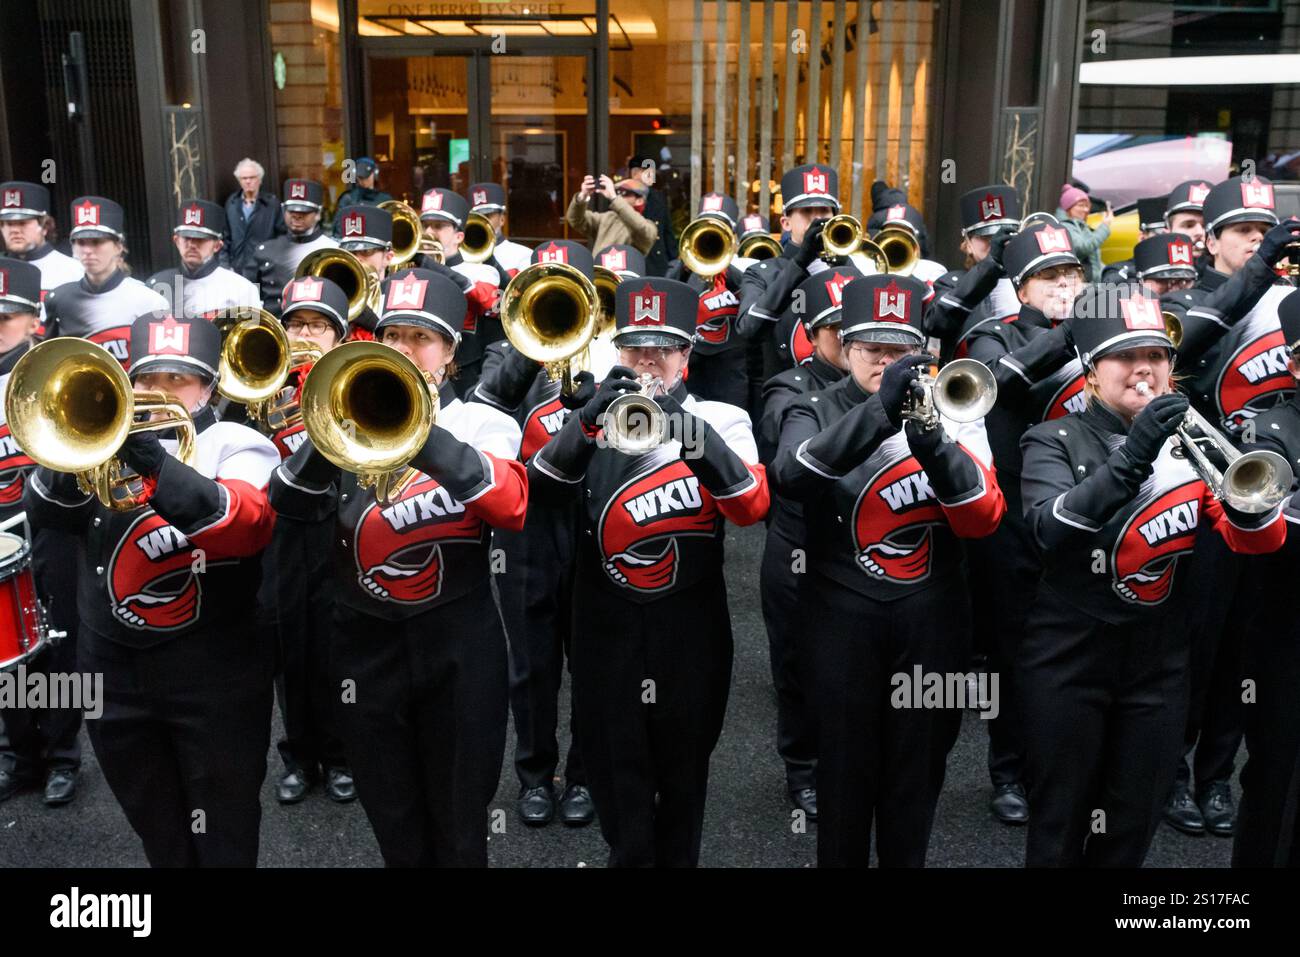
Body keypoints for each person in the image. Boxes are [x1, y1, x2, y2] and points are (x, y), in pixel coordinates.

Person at [1018, 285, 1285, 867]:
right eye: (1124, 356)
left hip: (1159, 667)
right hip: (1069, 658)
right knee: (1060, 822)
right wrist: (1136, 450)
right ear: (1091, 373)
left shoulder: (1191, 446)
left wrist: (1257, 503)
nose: (1144, 368)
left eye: (1157, 356)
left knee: (1131, 826)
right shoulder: (1052, 439)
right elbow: (1050, 530)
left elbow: (1256, 540)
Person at [269, 268, 528, 866]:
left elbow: (511, 507)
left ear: (450, 354)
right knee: (393, 818)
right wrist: (329, 425)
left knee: (462, 824)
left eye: (422, 339)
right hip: (364, 645)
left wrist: (418, 426)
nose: (406, 350)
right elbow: (287, 504)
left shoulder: (482, 423)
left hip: (460, 647)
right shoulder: (345, 416)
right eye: (394, 337)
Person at [528, 276, 769, 866]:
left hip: (691, 628)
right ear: (617, 352)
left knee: (684, 776)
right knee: (615, 776)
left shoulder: (723, 415)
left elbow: (748, 505)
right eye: (636, 346)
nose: (648, 359)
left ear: (688, 354)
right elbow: (537, 495)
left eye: (664, 347)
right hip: (605, 626)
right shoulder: (589, 418)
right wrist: (585, 420)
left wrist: (676, 419)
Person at [24, 312, 280, 866]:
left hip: (215, 673)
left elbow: (242, 526)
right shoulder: (101, 446)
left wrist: (150, 459)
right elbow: (44, 511)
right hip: (113, 673)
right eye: (146, 377)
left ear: (209, 385)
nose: (157, 391)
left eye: (178, 378)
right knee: (157, 829)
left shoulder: (238, 442)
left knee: (225, 829)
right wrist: (78, 441)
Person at [772, 274, 1005, 866]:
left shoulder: (955, 407)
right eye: (871, 346)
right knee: (844, 779)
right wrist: (881, 411)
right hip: (839, 617)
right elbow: (793, 477)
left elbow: (983, 520)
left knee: (917, 777)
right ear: (845, 349)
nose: (886, 358)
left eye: (900, 347)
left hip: (935, 618)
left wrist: (936, 448)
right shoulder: (810, 403)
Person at [1155, 178, 1299, 837]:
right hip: (1209, 495)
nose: (1256, 238)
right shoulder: (1187, 298)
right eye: (1242, 229)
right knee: (1199, 642)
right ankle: (1173, 772)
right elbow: (1185, 343)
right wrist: (1263, 264)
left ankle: (1217, 775)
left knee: (1249, 647)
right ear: (1208, 239)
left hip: (1280, 501)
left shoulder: (1292, 303)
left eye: (1264, 228)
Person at [469, 240, 605, 828]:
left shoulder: (611, 352)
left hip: (596, 520)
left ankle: (583, 775)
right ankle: (533, 775)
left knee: (593, 657)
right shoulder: (506, 353)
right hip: (527, 528)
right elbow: (485, 403)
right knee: (530, 662)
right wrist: (536, 338)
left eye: (569, 290)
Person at [964, 223, 1086, 825]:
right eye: (1049, 277)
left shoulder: (1101, 339)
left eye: (1071, 275)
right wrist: (1068, 335)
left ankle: (1061, 769)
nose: (1063, 285)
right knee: (1015, 653)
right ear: (1022, 286)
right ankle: (1007, 769)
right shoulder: (993, 334)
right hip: (1014, 518)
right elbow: (995, 389)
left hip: (1088, 517)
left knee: (1079, 655)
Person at [755, 265, 856, 821]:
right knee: (796, 663)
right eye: (833, 327)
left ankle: (848, 759)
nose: (845, 338)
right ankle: (803, 767)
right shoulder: (788, 385)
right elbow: (784, 461)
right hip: (801, 544)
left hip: (864, 545)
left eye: (853, 325)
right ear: (812, 334)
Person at [261, 276, 355, 805]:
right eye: (296, 323)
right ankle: (298, 754)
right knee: (288, 644)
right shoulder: (263, 379)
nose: (304, 333)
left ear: (337, 336)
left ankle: (342, 756)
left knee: (337, 646)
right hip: (281, 534)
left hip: (339, 530)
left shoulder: (353, 377)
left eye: (317, 325)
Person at [0, 258, 82, 807]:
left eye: (6, 316)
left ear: (35, 320)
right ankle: (18, 754)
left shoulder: (51, 373)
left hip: (48, 526)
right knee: (6, 646)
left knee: (57, 643)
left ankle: (64, 755)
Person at [1235, 292, 1300, 866]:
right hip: (1287, 639)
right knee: (1276, 783)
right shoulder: (1270, 428)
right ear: (1295, 365)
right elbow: (1272, 523)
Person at [43, 196, 169, 365]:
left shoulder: (150, 301)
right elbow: (49, 359)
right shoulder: (59, 298)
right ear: (73, 247)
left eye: (97, 242)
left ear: (119, 246)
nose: (88, 250)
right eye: (81, 242)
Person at [418, 187, 507, 393]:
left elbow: (484, 300)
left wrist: (429, 264)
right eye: (425, 226)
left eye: (438, 226)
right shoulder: (413, 270)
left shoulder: (482, 271)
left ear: (459, 236)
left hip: (466, 374)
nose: (429, 233)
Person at [668, 192, 749, 408]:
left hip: (731, 373)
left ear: (733, 237)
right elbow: (666, 297)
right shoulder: (681, 270)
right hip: (690, 369)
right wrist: (684, 267)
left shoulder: (743, 273)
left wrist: (727, 269)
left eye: (721, 228)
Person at [925, 184, 1021, 360]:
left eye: (1003, 237)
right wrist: (992, 265)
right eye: (986, 238)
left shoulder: (1031, 281)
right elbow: (935, 324)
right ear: (968, 243)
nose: (995, 244)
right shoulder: (951, 282)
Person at [147, 199, 260, 319]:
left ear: (217, 246)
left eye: (200, 239)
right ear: (176, 241)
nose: (192, 245)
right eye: (186, 238)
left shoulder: (241, 289)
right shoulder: (156, 285)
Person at [0, 181, 83, 319]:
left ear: (45, 227)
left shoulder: (74, 271)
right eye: (8, 224)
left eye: (22, 223)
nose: (14, 230)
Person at [254, 179, 338, 316]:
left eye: (304, 212)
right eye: (291, 211)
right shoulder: (265, 250)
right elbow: (252, 295)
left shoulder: (334, 250)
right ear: (283, 210)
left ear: (318, 214)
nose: (296, 216)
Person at [222, 159, 285, 282]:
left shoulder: (272, 204)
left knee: (258, 301)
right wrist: (225, 267)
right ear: (239, 181)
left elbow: (282, 237)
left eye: (252, 177)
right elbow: (225, 237)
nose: (248, 181)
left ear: (260, 179)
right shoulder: (232, 203)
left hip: (263, 271)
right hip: (237, 271)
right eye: (244, 178)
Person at [565, 173, 658, 256]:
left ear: (639, 201)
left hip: (625, 274)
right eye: (618, 192)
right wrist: (583, 196)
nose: (619, 195)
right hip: (599, 272)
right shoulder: (607, 217)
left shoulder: (648, 225)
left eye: (624, 193)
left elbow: (644, 231)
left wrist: (614, 197)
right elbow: (575, 220)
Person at [465, 182, 532, 278]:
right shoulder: (462, 256)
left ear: (502, 219)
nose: (482, 221)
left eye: (487, 216)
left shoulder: (523, 255)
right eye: (477, 217)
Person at [1100, 197, 1169, 283]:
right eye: (1161, 236)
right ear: (1142, 238)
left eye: (1172, 235)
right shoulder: (1119, 272)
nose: (1168, 241)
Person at [628, 154, 677, 276]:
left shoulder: (659, 197)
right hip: (633, 261)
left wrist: (674, 259)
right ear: (635, 174)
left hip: (658, 262)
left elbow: (667, 230)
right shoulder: (623, 197)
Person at [1057, 183, 1111, 282]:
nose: (1086, 210)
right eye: (1081, 205)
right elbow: (1083, 248)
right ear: (1068, 208)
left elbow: (1093, 260)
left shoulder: (1080, 225)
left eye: (1087, 206)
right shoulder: (1065, 226)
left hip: (1090, 282)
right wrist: (1104, 227)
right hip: (1079, 284)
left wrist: (1109, 271)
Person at [333, 157, 392, 235]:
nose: (363, 181)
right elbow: (338, 229)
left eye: (366, 177)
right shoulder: (348, 199)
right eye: (360, 177)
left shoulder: (386, 200)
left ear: (375, 174)